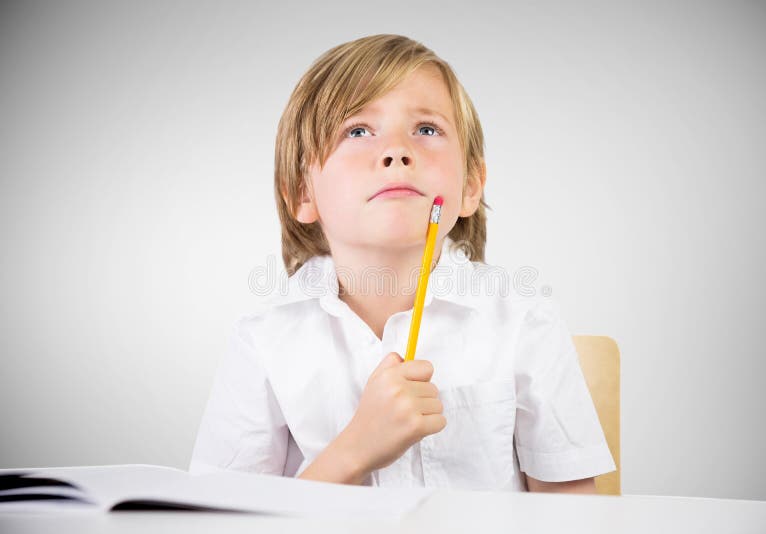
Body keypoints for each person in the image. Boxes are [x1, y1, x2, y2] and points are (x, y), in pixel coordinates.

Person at [190, 34, 616, 493]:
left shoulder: (524, 321)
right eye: (357, 131)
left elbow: (571, 515)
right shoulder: (263, 337)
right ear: (303, 192)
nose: (397, 152)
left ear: (470, 186)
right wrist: (355, 449)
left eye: (426, 130)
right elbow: (226, 519)